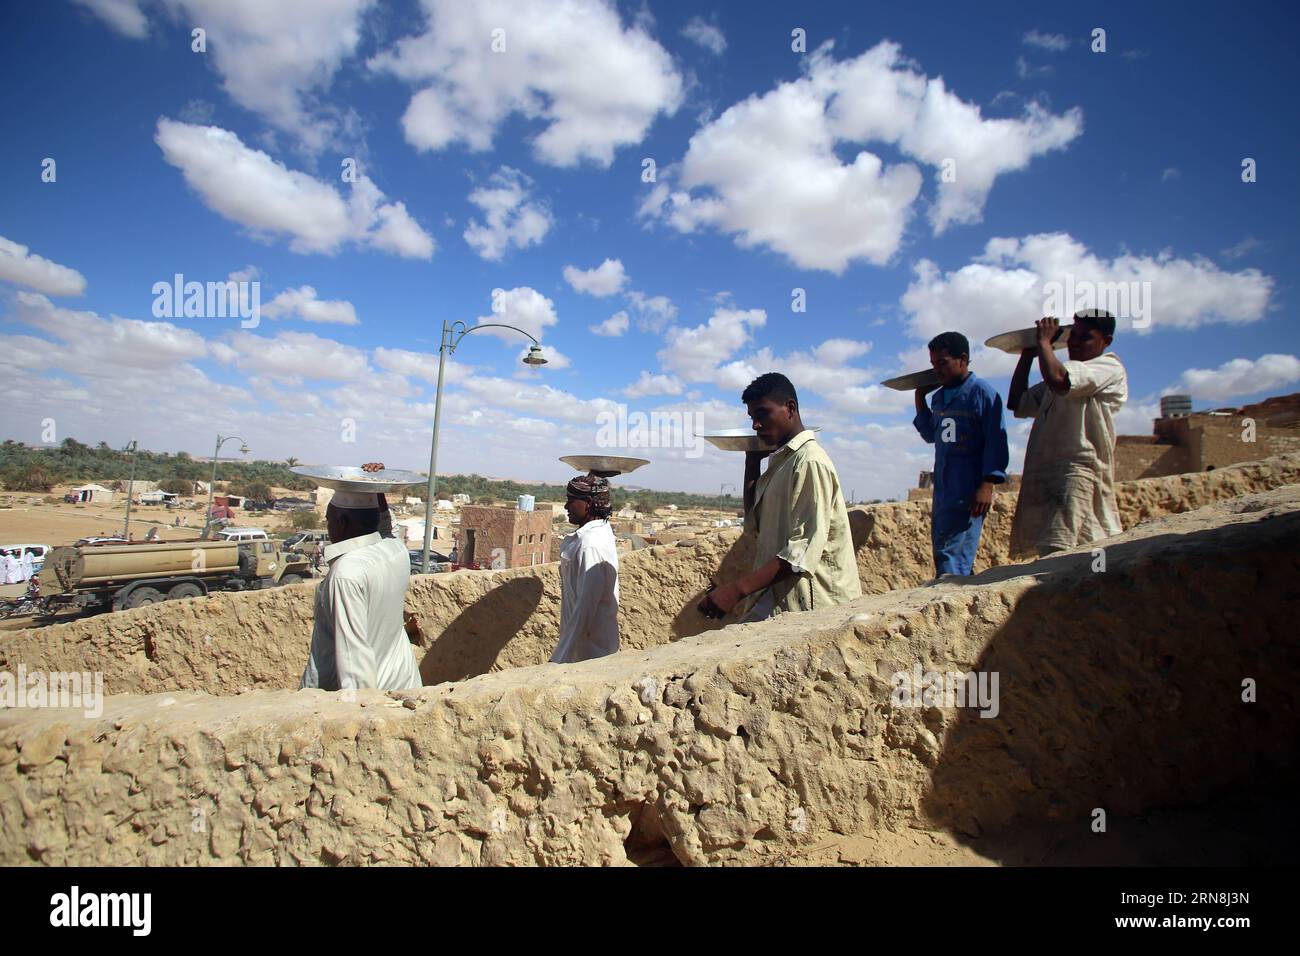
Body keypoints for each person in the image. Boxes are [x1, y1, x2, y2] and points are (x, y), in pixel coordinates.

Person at [700, 372, 861, 621]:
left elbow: (801, 552)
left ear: (790, 408)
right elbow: (756, 524)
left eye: (762, 413)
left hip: (815, 603)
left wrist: (736, 590)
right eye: (752, 417)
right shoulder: (784, 462)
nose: (756, 425)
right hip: (781, 597)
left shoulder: (808, 461)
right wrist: (751, 462)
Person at [1007, 309, 1128, 557]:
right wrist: (1028, 355)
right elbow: (1018, 402)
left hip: (1078, 472)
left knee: (1066, 549)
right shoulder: (1057, 378)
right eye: (1073, 336)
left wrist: (1043, 343)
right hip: (1047, 472)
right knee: (1053, 549)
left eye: (1085, 337)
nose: (1074, 342)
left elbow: (1059, 379)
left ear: (1106, 341)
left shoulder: (1108, 368)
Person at [300, 465, 421, 692]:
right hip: (403, 685)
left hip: (368, 700)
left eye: (329, 520)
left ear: (341, 522)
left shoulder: (346, 574)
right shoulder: (396, 550)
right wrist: (374, 485)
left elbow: (353, 658)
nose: (329, 527)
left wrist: (359, 715)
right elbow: (386, 527)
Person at [912, 332, 1009, 578]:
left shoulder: (982, 394)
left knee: (952, 559)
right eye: (933, 364)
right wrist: (919, 397)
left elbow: (996, 442)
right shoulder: (938, 398)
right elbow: (930, 434)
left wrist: (987, 485)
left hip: (968, 493)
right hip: (944, 491)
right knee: (947, 555)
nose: (937, 370)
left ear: (962, 359)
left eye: (942, 363)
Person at [550, 475, 620, 663]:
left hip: (588, 655)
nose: (566, 507)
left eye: (571, 501)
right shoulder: (598, 532)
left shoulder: (591, 545)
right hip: (585, 650)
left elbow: (585, 609)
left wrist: (560, 657)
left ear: (588, 503)